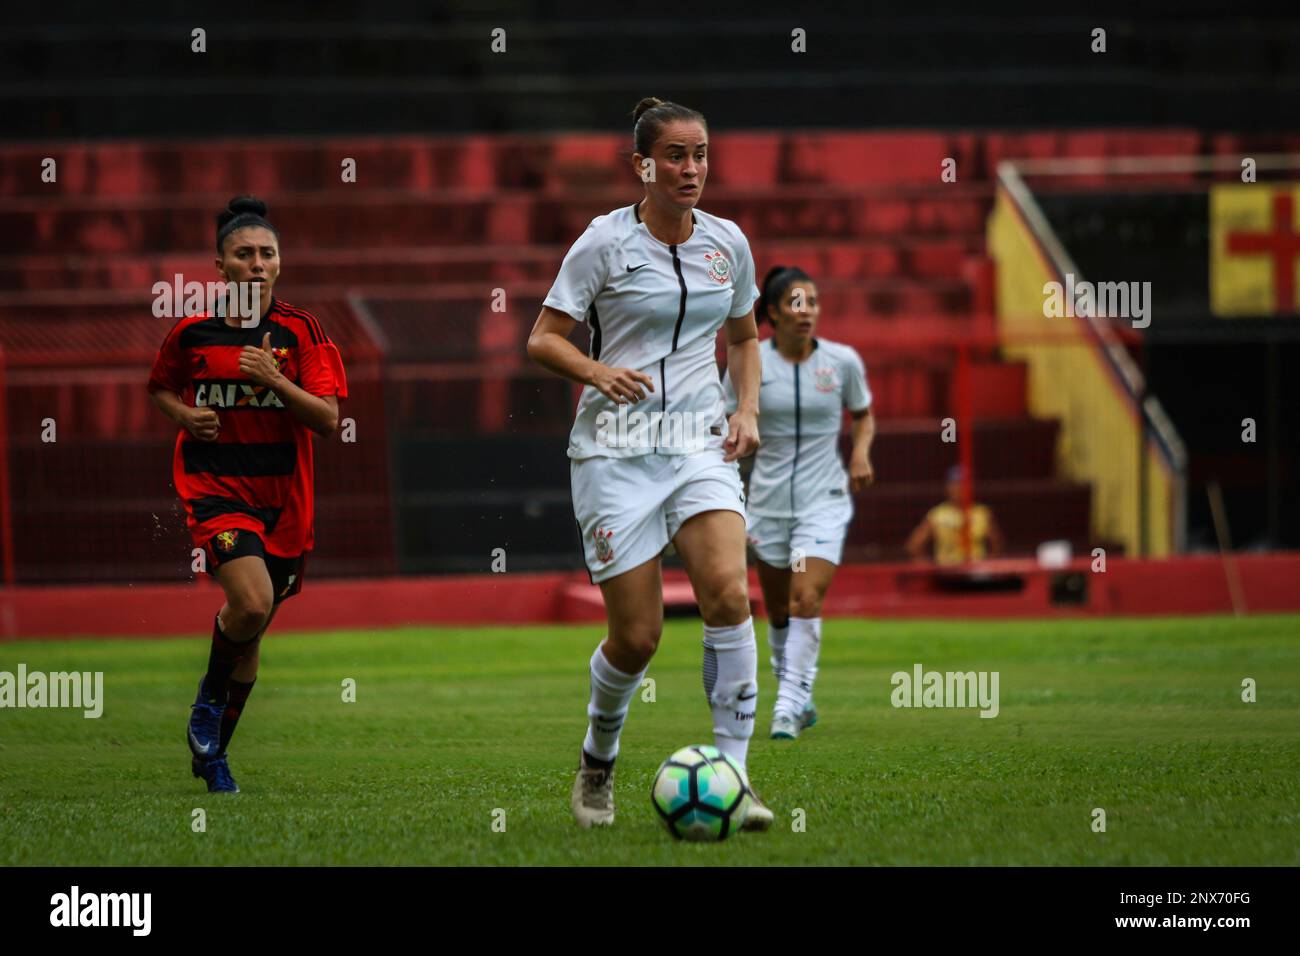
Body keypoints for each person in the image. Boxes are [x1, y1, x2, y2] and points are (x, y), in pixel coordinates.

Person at [527, 97, 773, 830]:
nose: (690, 168)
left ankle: (734, 775)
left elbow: (747, 336)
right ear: (642, 165)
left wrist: (747, 409)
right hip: (615, 452)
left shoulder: (728, 243)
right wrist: (596, 372)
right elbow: (543, 339)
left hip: (699, 443)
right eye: (674, 155)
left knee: (729, 593)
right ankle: (598, 760)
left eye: (699, 154)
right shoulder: (603, 244)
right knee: (637, 638)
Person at [147, 196, 347, 793]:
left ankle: (213, 759)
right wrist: (186, 415)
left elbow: (328, 418)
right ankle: (208, 702)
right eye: (244, 253)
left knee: (251, 632)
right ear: (220, 265)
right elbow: (159, 388)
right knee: (252, 603)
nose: (256, 263)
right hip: (215, 488)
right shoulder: (191, 332)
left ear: (280, 263)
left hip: (283, 502)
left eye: (267, 253)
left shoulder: (300, 331)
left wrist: (275, 380)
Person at [725, 267, 875, 740]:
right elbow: (726, 418)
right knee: (779, 610)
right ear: (772, 312)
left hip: (824, 498)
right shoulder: (751, 364)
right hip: (766, 502)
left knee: (805, 595)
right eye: (795, 301)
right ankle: (796, 691)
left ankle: (787, 705)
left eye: (812, 301)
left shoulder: (842, 361)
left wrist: (860, 454)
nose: (806, 310)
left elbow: (863, 415)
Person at [905, 465, 1004, 564]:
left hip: (976, 571)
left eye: (964, 484)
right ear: (947, 487)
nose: (959, 489)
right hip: (947, 571)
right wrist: (930, 568)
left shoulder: (982, 513)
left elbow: (997, 545)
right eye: (955, 484)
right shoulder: (937, 514)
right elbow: (914, 546)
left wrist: (988, 566)